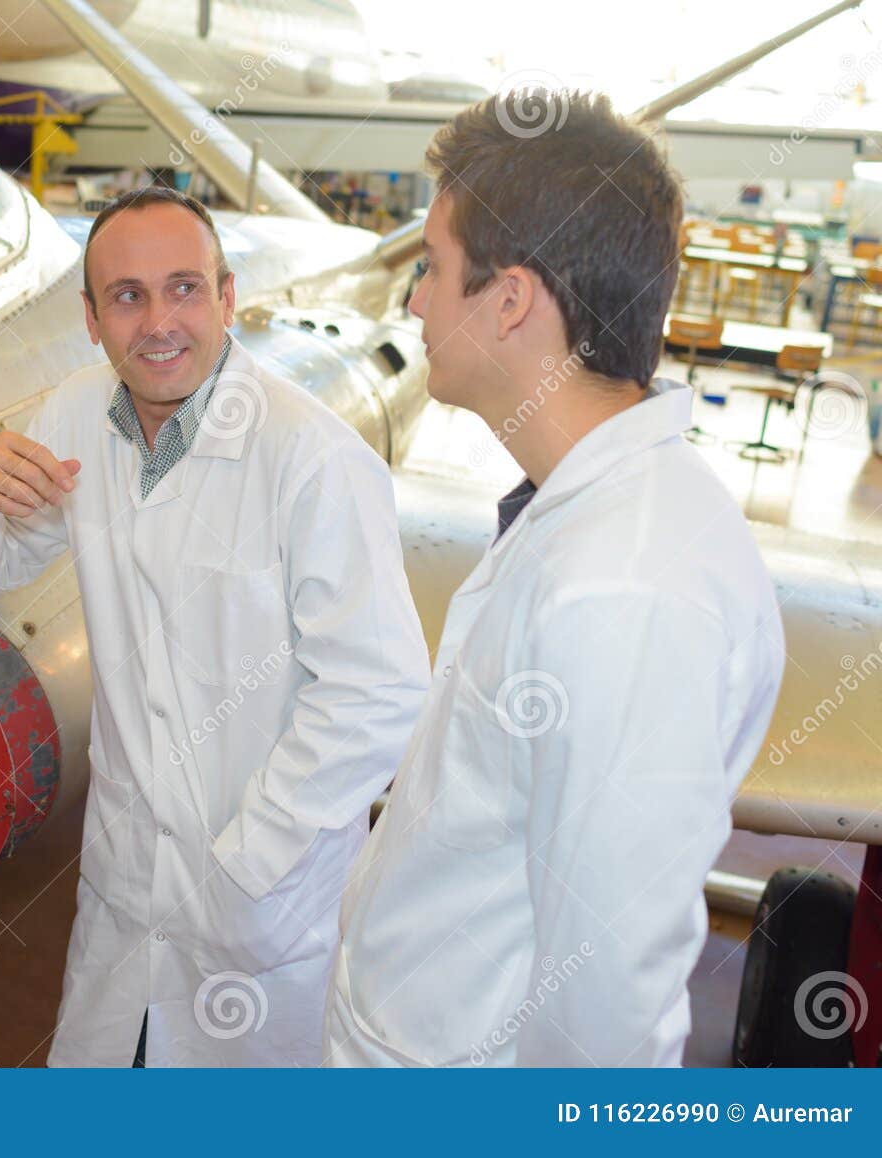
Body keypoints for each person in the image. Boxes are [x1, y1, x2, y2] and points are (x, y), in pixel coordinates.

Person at [324, 90, 785, 1067]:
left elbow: (606, 996)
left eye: (431, 269)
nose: (411, 300)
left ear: (510, 299)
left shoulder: (627, 586)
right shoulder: (581, 512)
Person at [0, 186, 429, 1066]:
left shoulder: (312, 458)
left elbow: (379, 691)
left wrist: (247, 863)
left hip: (264, 904)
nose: (159, 321)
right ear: (90, 317)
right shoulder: (80, 414)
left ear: (229, 298)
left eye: (184, 288)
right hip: (126, 888)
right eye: (127, 296)